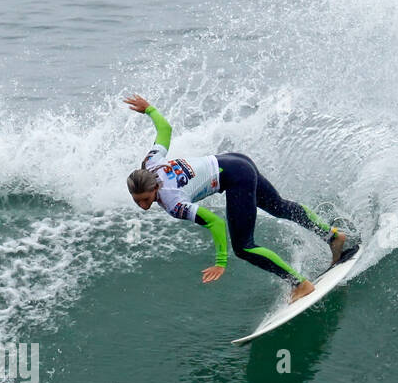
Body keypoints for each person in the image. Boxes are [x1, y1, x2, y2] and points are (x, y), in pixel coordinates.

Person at [123, 94, 356, 303]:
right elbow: (165, 130)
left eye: (146, 199)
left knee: (244, 247)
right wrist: (150, 110)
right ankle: (333, 236)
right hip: (236, 161)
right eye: (137, 201)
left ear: (155, 187)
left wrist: (221, 262)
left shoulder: (173, 201)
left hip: (235, 178)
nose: (143, 205)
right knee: (279, 207)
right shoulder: (151, 162)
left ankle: (300, 284)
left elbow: (215, 222)